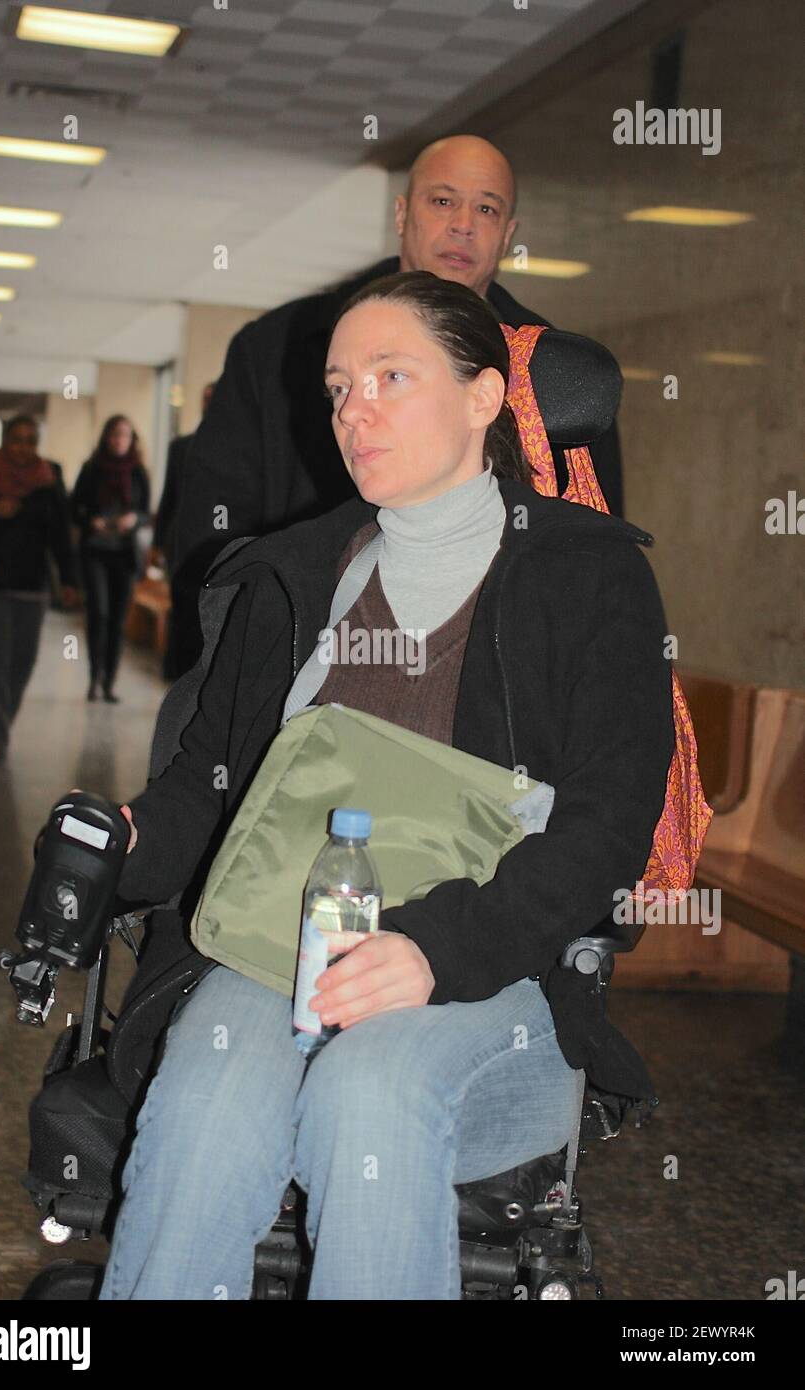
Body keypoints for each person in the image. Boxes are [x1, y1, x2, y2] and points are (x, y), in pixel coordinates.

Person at [96, 272, 673, 1301]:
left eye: (389, 377)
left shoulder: (584, 578)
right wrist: (115, 843)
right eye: (337, 388)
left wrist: (432, 951)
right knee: (205, 1104)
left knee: (371, 1085)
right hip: (279, 951)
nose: (353, 409)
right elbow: (206, 794)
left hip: (493, 973)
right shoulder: (289, 577)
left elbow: (606, 824)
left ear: (483, 396)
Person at [169, 134, 624, 674]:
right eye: (442, 201)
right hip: (304, 658)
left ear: (508, 235)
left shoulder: (556, 373)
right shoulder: (279, 348)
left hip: (487, 674)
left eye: (486, 208)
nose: (463, 224)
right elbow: (212, 524)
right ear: (403, 215)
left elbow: (594, 541)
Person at [0, 414, 77, 765]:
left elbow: (61, 535)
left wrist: (69, 580)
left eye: (30, 440)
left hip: (34, 587)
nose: (23, 447)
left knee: (22, 663)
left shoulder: (49, 481)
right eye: (17, 439)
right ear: (5, 441)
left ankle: (0, 725)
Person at [71, 415, 150, 703]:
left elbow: (145, 511)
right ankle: (94, 677)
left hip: (125, 554)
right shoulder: (91, 470)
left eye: (125, 435)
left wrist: (134, 519)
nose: (119, 440)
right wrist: (91, 521)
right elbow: (74, 508)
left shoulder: (138, 472)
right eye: (115, 435)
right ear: (106, 437)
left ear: (132, 440)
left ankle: (109, 681)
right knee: (99, 613)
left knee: (117, 619)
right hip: (96, 551)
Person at [152, 382, 215, 679]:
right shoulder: (182, 448)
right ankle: (179, 677)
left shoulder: (245, 449)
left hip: (218, 545)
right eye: (205, 398)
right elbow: (170, 498)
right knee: (183, 612)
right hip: (183, 546)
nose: (210, 403)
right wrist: (157, 543)